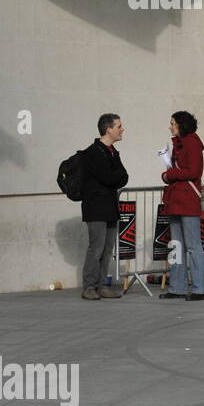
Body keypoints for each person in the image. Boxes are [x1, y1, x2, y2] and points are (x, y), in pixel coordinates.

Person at [160, 110, 204, 301]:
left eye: (172, 123)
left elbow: (194, 171)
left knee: (193, 246)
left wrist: (169, 175)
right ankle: (177, 286)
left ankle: (199, 288)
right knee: (176, 245)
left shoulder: (192, 143)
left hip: (187, 200)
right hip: (176, 199)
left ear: (181, 125)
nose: (170, 126)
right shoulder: (178, 143)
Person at [80, 113, 129, 300]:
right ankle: (89, 287)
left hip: (109, 206)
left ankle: (101, 285)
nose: (122, 129)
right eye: (119, 126)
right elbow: (110, 178)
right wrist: (114, 178)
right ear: (109, 129)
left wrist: (114, 177)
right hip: (95, 207)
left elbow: (124, 177)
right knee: (96, 248)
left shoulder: (112, 152)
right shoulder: (93, 153)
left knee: (108, 248)